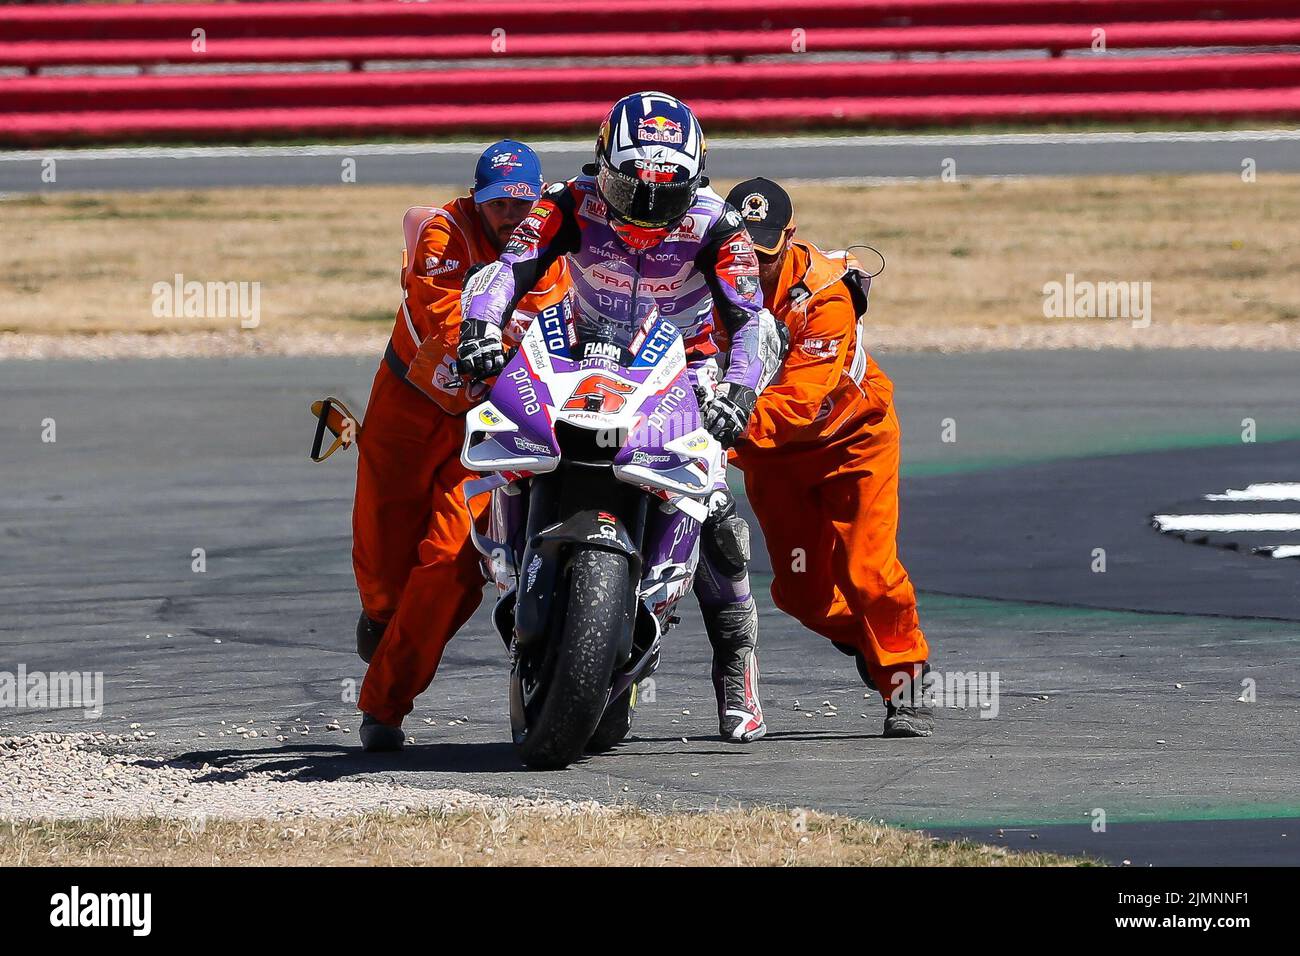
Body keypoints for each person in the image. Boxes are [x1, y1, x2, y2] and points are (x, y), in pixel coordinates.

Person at [459, 92, 786, 743]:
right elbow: (509, 269)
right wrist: (479, 326)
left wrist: (741, 392)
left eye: (664, 193)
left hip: (684, 363)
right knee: (501, 439)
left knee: (716, 517)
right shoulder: (567, 200)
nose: (643, 208)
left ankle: (735, 660)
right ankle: (510, 559)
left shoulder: (717, 224)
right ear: (602, 162)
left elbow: (751, 320)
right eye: (629, 187)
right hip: (576, 342)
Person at [353, 141, 569, 751]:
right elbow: (444, 308)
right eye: (498, 203)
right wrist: (493, 332)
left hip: (491, 420)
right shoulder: (444, 232)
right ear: (478, 200)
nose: (510, 215)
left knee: (451, 562)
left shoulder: (550, 245)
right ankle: (380, 619)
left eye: (521, 203)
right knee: (382, 560)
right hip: (410, 403)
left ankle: (384, 704)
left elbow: (559, 321)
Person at [723, 177, 934, 737]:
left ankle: (905, 679)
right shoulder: (706, 283)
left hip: (852, 440)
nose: (751, 269)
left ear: (788, 238)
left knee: (869, 573)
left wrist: (713, 435)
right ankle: (871, 641)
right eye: (740, 253)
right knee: (800, 593)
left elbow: (796, 401)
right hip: (773, 461)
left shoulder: (824, 294)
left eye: (763, 255)